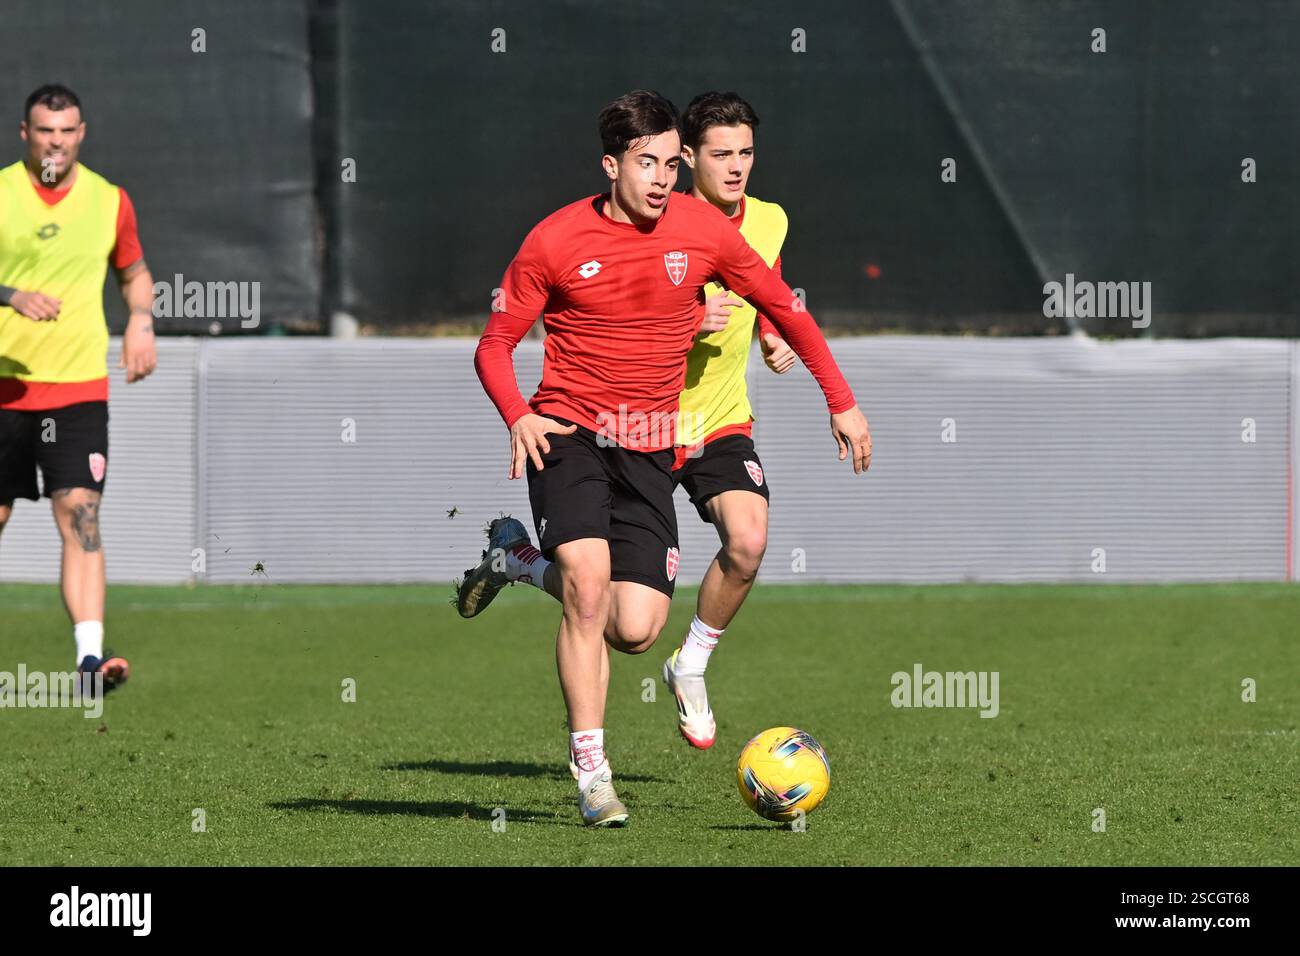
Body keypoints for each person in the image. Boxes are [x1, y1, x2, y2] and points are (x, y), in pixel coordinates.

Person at [463, 90, 870, 826]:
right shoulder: (554, 240)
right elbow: (494, 345)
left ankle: (517, 561)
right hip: (571, 432)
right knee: (588, 586)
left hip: (651, 447)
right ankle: (592, 772)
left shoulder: (702, 229)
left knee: (634, 629)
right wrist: (519, 415)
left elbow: (784, 306)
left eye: (669, 163)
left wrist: (839, 397)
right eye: (645, 163)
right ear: (611, 164)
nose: (660, 179)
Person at [0, 85, 158, 693]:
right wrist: (12, 295)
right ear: (25, 134)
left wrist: (141, 319)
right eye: (45, 131)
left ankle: (90, 659)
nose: (55, 142)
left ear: (82, 134)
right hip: (4, 391)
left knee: (81, 515)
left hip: (77, 391)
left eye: (66, 132)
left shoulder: (109, 200)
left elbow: (135, 271)